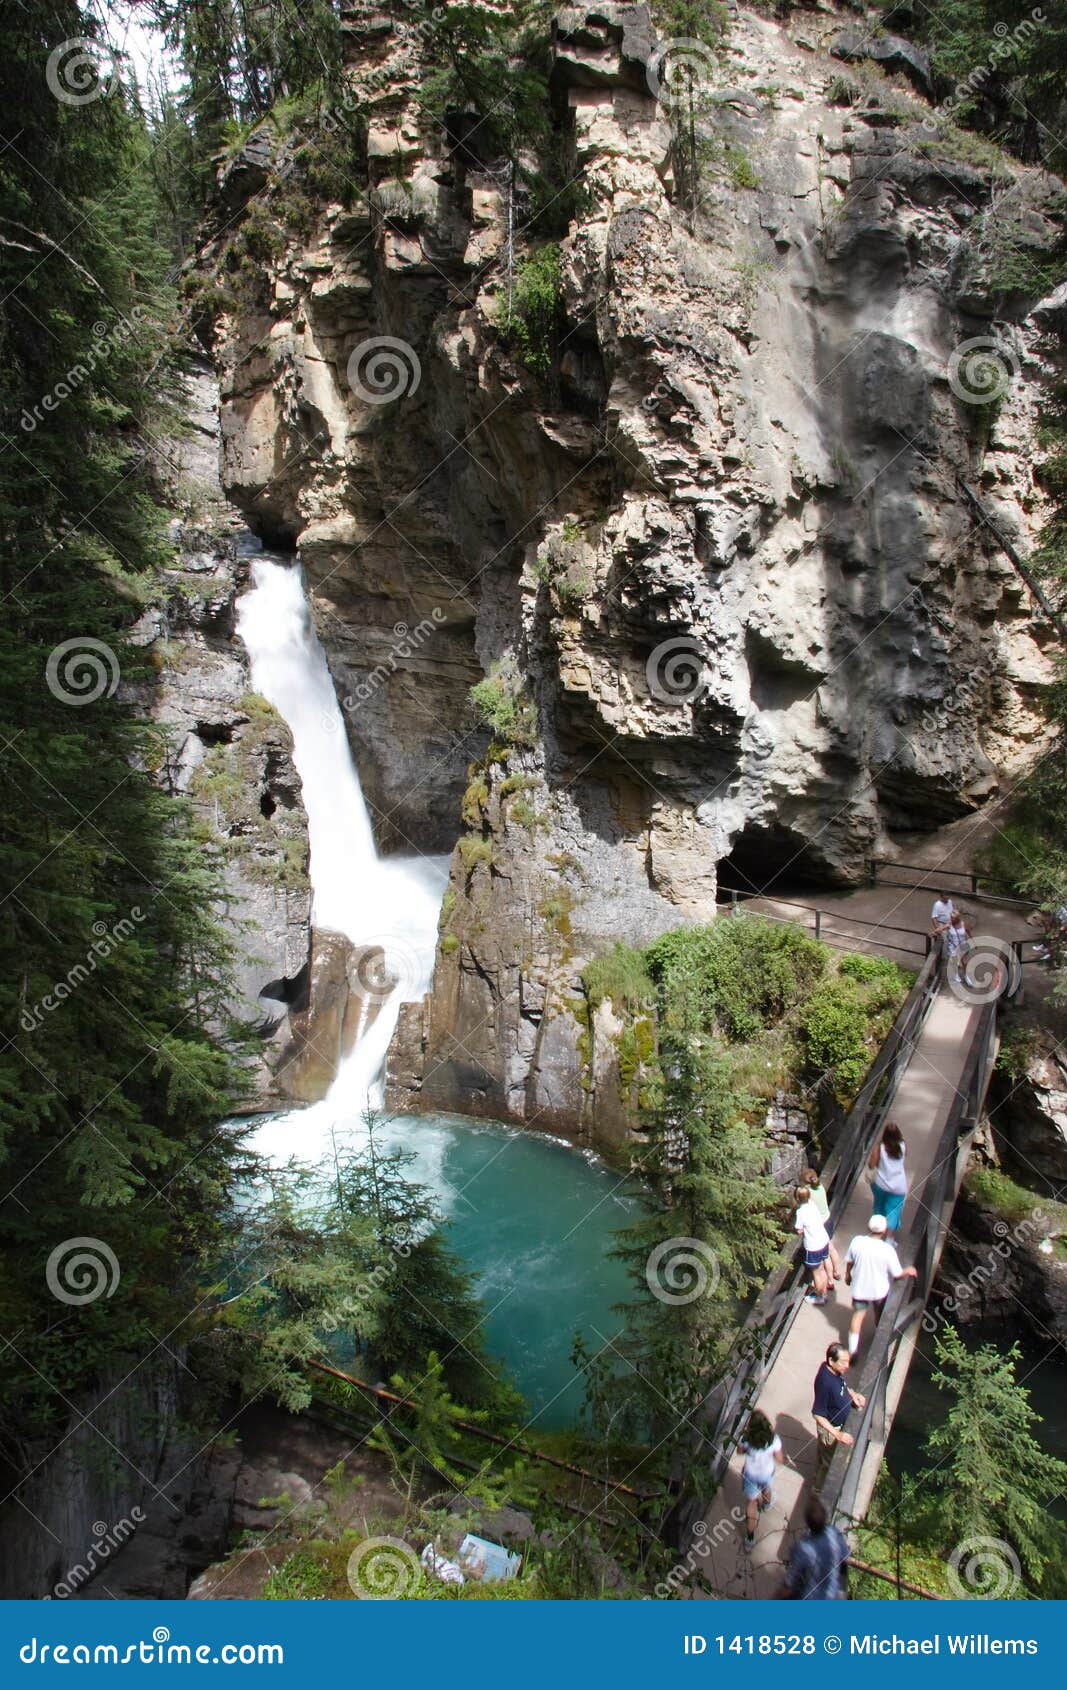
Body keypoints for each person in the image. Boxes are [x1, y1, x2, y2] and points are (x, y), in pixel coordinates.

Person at [844, 1213, 918, 1358]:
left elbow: (849, 1261)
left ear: (869, 1227)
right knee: (879, 1314)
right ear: (884, 1231)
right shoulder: (887, 1250)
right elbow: (897, 1273)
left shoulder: (857, 1242)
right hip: (879, 1290)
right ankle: (879, 1340)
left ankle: (853, 1350)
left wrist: (848, 1274)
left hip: (860, 1288)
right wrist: (908, 1270)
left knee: (858, 1316)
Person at [811, 1341, 866, 1489]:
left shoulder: (835, 1371)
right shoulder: (824, 1381)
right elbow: (817, 1414)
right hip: (831, 1429)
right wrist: (837, 1434)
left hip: (837, 1425)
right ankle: (818, 1490)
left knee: (823, 1455)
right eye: (843, 1362)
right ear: (831, 1361)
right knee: (828, 1464)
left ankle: (816, 1476)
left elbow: (842, 1386)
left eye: (848, 1362)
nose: (847, 1366)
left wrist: (853, 1394)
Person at [779, 1495, 850, 1599]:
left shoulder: (803, 1548)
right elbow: (844, 1564)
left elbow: (789, 1583)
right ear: (825, 1516)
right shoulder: (834, 1533)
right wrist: (843, 1592)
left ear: (808, 1522)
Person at [738, 1409, 784, 1548]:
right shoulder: (773, 1439)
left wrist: (748, 1450)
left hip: (750, 1474)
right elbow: (780, 1459)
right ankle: (766, 1504)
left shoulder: (746, 1438)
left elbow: (739, 1451)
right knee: (766, 1489)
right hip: (766, 1473)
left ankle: (750, 1538)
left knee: (751, 1504)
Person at [867, 1121, 908, 1239]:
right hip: (898, 1185)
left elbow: (871, 1165)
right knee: (893, 1211)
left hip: (880, 1184)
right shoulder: (904, 1146)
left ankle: (877, 1232)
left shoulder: (880, 1148)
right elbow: (904, 1157)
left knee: (879, 1206)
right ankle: (889, 1238)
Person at [794, 1185, 831, 1305]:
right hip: (823, 1240)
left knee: (816, 1272)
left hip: (813, 1246)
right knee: (822, 1269)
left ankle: (820, 1297)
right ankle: (824, 1294)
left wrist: (803, 1228)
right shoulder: (812, 1204)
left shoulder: (800, 1212)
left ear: (797, 1198)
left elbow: (798, 1229)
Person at [803, 1164, 841, 1283]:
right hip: (828, 1219)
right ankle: (837, 1271)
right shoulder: (820, 1187)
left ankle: (829, 1280)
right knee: (832, 1249)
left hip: (821, 1225)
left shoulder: (809, 1193)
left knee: (827, 1252)